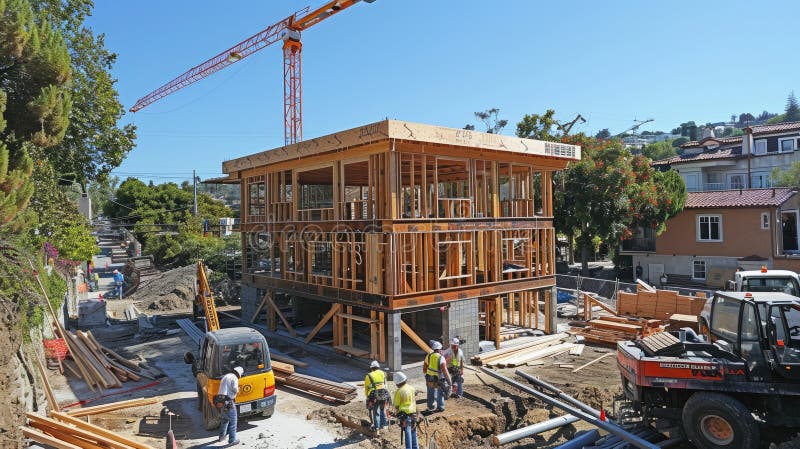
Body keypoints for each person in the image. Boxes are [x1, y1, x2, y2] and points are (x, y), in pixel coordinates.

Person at [217, 366, 243, 446]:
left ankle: (222, 436)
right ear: (239, 374)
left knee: (225, 419)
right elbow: (235, 388)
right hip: (229, 402)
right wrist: (238, 390)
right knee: (233, 421)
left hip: (221, 401)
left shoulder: (226, 376)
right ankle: (232, 440)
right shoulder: (234, 378)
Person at [422, 340, 451, 412]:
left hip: (429, 378)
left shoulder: (428, 356)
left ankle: (430, 407)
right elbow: (445, 371)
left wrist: (429, 373)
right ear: (440, 349)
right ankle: (440, 407)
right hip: (438, 379)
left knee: (430, 393)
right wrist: (449, 381)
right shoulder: (441, 358)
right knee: (440, 393)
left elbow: (424, 369)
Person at [392, 371, 418, 449]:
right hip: (413, 415)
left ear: (397, 383)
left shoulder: (399, 392)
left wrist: (397, 415)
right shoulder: (411, 388)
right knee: (413, 433)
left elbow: (396, 406)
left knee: (408, 436)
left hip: (405, 417)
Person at [364, 360, 389, 432]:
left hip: (374, 395)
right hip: (383, 393)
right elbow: (385, 384)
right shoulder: (383, 373)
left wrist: (367, 397)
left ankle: (377, 427)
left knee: (376, 411)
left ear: (372, 368)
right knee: (382, 409)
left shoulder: (368, 376)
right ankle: (384, 425)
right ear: (378, 367)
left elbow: (366, 388)